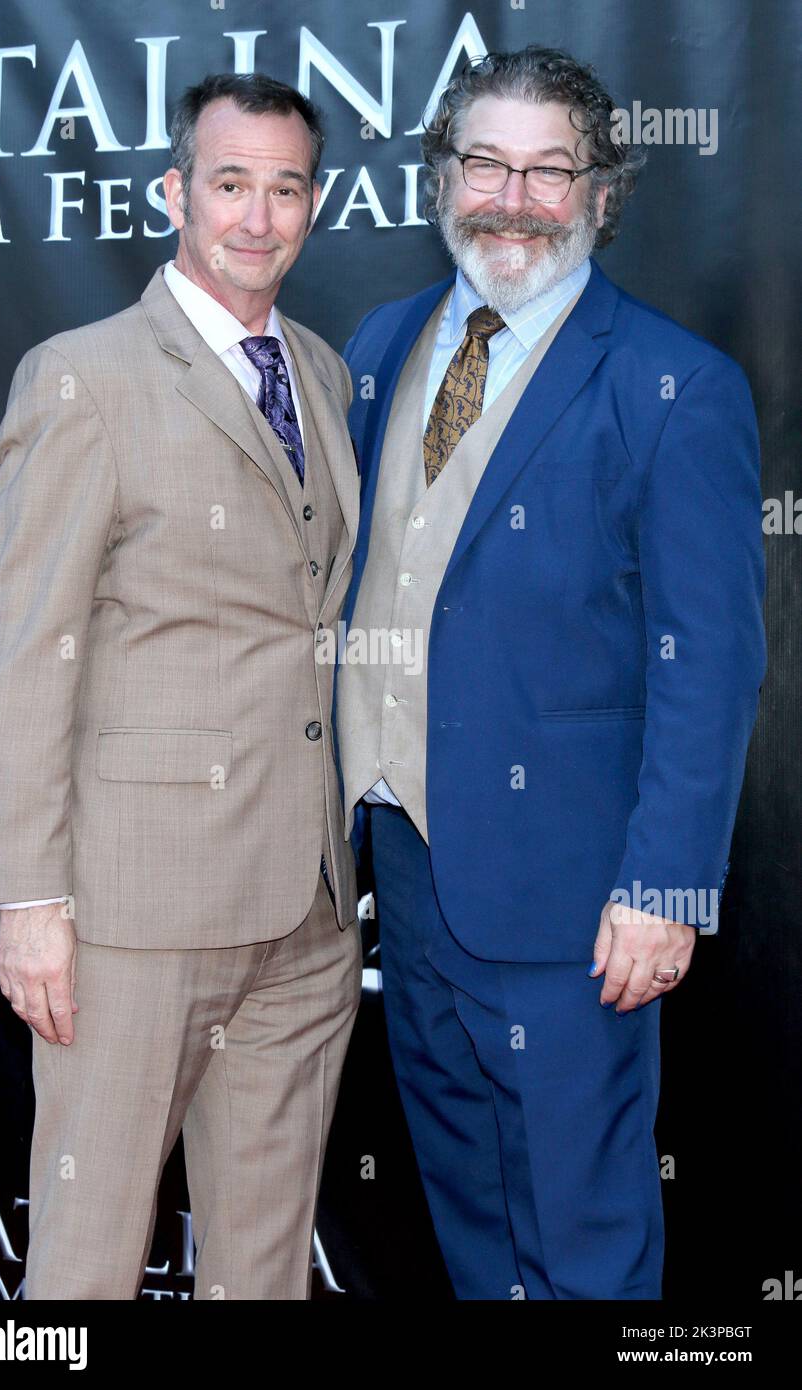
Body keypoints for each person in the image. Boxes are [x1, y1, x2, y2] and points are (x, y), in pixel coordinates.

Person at [335, 46, 766, 1299]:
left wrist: (665, 887)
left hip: (576, 900)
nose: (509, 198)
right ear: (440, 175)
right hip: (408, 871)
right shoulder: (383, 340)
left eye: (545, 170)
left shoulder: (671, 385)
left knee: (583, 1237)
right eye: (483, 162)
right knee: (470, 1210)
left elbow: (712, 659)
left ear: (597, 191)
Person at [0, 72, 362, 1300]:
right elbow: (26, 647)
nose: (256, 215)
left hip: (302, 914)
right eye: (229, 182)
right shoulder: (83, 377)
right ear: (174, 193)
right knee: (81, 1274)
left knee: (264, 1267)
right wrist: (29, 899)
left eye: (283, 187)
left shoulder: (323, 373)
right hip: (132, 916)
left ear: (313, 204)